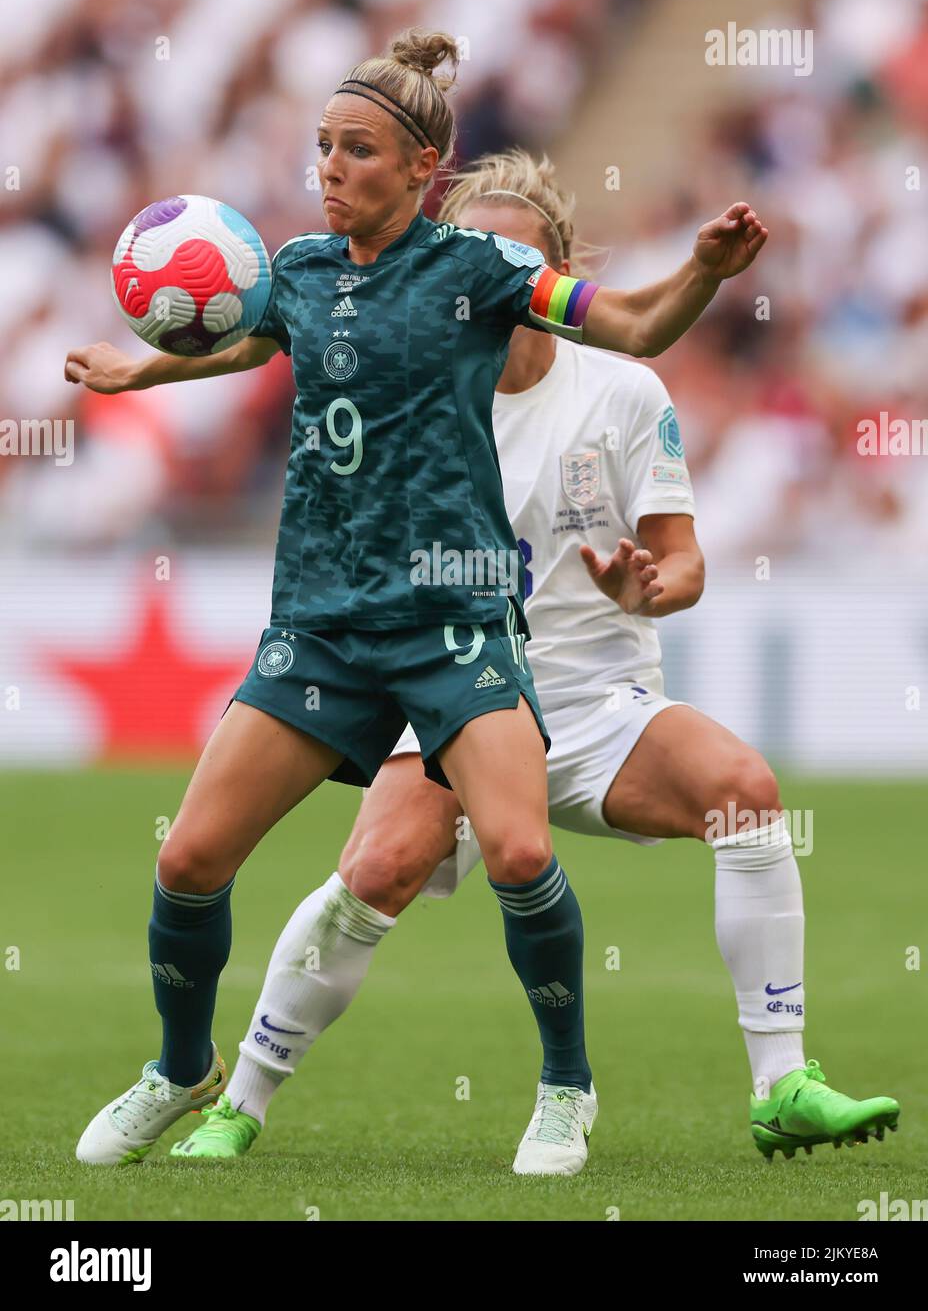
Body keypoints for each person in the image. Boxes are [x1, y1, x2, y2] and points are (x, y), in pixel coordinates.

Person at [66, 30, 769, 1171]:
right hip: (322, 627)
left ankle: (562, 1088)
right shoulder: (294, 269)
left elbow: (632, 326)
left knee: (516, 853)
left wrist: (698, 272)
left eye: (356, 152)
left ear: (422, 166)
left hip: (455, 625)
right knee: (190, 858)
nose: (330, 170)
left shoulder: (478, 273)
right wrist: (138, 367)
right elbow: (248, 345)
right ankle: (179, 1064)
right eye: (322, 149)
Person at [173, 150, 899, 1173]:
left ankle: (779, 1082)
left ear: (558, 274)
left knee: (744, 790)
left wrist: (649, 586)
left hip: (594, 700)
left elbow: (683, 562)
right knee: (375, 867)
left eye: (523, 261)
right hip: (450, 694)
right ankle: (238, 1098)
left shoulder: (623, 392)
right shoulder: (402, 396)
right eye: (480, 256)